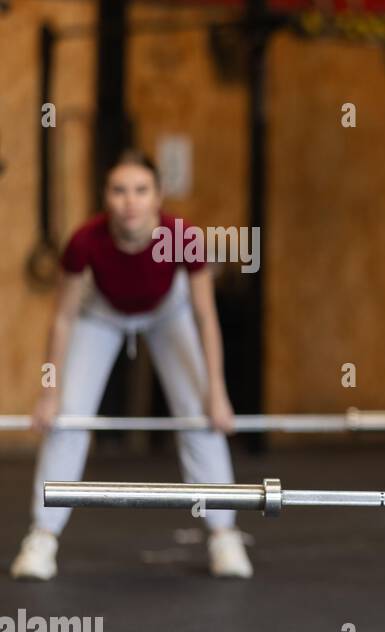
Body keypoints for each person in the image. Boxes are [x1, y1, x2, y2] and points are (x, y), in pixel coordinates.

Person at [10, 150, 251, 581]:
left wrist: (217, 392)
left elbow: (204, 316)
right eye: (119, 191)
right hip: (101, 314)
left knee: (200, 419)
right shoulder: (85, 241)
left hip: (169, 313)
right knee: (66, 422)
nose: (130, 202)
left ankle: (224, 535)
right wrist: (50, 392)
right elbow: (63, 318)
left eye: (141, 190)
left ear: (158, 196)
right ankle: (42, 538)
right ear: (106, 197)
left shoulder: (184, 237)